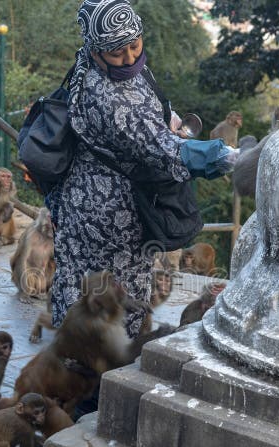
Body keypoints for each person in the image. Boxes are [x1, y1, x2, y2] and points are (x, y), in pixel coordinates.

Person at [50, 0, 236, 350]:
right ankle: (97, 371)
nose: (129, 58)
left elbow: (149, 111)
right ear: (96, 50)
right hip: (108, 217)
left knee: (79, 283)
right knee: (118, 293)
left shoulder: (98, 65)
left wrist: (169, 119)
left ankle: (72, 358)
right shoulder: (107, 95)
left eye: (134, 46)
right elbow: (161, 149)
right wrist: (225, 157)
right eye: (117, 53)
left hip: (83, 201)